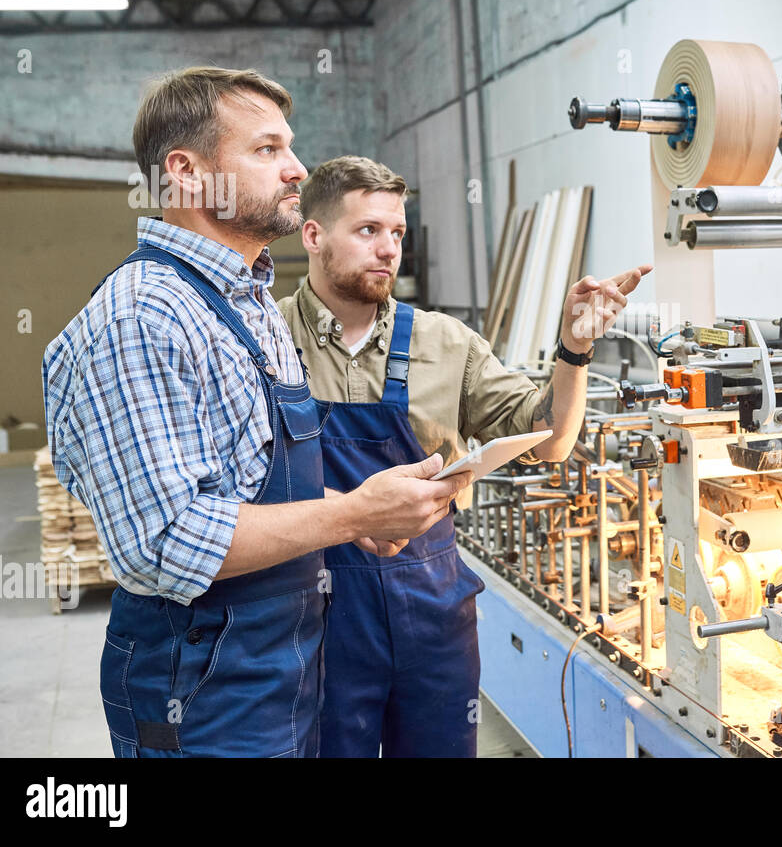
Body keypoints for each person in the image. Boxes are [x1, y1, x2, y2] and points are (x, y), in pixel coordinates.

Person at [42, 69, 471, 758]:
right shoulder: (143, 317)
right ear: (187, 172)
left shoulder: (248, 300)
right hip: (203, 686)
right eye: (267, 149)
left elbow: (246, 481)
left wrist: (358, 514)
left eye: (289, 147)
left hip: (285, 667)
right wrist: (353, 512)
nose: (297, 168)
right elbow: (171, 540)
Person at [278, 155, 651, 757]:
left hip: (431, 612)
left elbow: (551, 438)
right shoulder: (262, 340)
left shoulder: (443, 343)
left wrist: (574, 346)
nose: (387, 249)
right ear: (314, 234)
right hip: (310, 614)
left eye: (397, 233)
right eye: (368, 230)